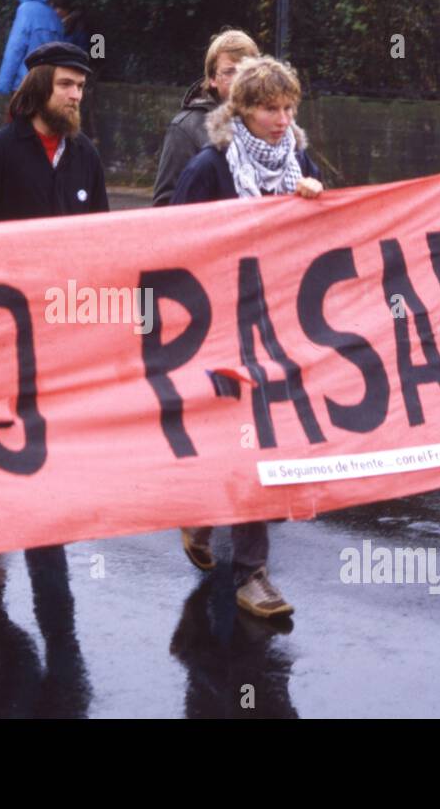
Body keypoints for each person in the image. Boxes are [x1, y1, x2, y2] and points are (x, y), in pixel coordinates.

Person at [169, 55, 325, 620]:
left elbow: (316, 246)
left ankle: (251, 571)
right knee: (230, 437)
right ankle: (204, 515)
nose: (281, 119)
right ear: (242, 109)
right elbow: (175, 246)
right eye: (268, 108)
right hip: (217, 329)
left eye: (288, 108)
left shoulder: (298, 161)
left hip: (277, 322)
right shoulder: (209, 168)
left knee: (266, 443)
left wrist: (308, 207)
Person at [0, 42, 107, 224]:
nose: (76, 95)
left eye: (80, 86)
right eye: (65, 84)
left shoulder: (87, 154)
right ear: (39, 87)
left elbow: (100, 228)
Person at [153, 29, 259, 207]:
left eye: (247, 70)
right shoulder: (185, 128)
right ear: (212, 79)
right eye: (229, 72)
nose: (240, 79)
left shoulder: (272, 123)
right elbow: (165, 204)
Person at [0, 0, 63, 95]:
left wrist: (3, 84)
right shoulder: (54, 16)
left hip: (26, 82)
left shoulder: (26, 10)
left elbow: (15, 48)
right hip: (49, 83)